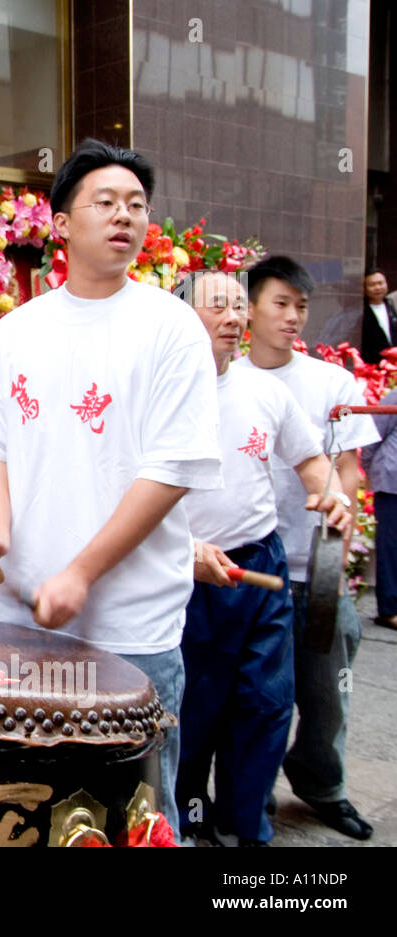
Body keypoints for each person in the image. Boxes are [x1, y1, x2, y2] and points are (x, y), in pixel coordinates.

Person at [0, 139, 222, 833]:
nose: (124, 215)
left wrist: (80, 573)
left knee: (133, 812)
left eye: (136, 204)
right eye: (104, 202)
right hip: (18, 619)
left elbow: (167, 472)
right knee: (18, 799)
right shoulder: (16, 332)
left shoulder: (171, 330)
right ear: (62, 224)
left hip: (129, 628)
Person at [175, 269, 348, 847]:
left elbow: (311, 463)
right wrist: (182, 551)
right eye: (215, 306)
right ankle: (188, 820)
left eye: (235, 307)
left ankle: (246, 829)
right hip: (191, 576)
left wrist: (332, 493)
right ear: (181, 316)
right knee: (195, 710)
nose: (231, 318)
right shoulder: (162, 393)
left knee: (268, 705)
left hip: (261, 567)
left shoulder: (266, 392)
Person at [233, 254, 378, 840]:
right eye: (281, 304)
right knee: (258, 698)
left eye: (302, 307)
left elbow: (348, 467)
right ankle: (251, 801)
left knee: (328, 695)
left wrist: (334, 545)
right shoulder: (227, 378)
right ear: (248, 310)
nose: (294, 317)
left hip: (314, 567)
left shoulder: (331, 383)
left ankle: (323, 786)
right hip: (251, 570)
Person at [362, 386, 397, 631]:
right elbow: (372, 437)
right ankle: (389, 609)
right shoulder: (394, 397)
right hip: (392, 482)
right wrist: (367, 469)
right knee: (391, 546)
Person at [359, 268, 397, 365]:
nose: (377, 287)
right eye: (372, 285)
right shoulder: (361, 312)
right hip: (373, 366)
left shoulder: (392, 306)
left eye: (380, 283)